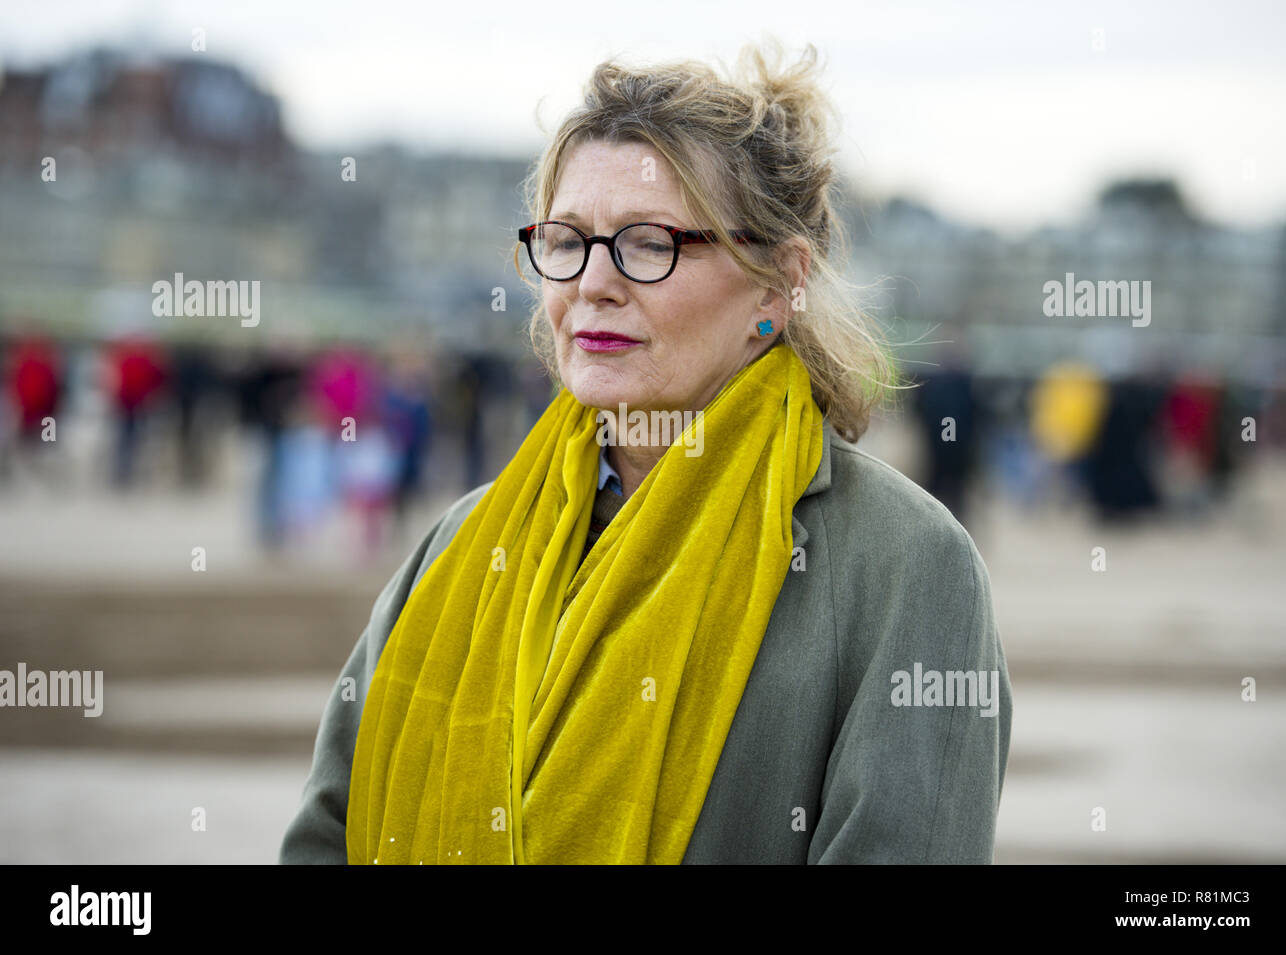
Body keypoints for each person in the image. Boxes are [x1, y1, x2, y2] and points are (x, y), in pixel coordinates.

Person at [280, 41, 1012, 865]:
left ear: (777, 286)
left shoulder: (905, 565)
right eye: (567, 240)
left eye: (649, 243)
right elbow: (325, 839)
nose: (594, 282)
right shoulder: (458, 545)